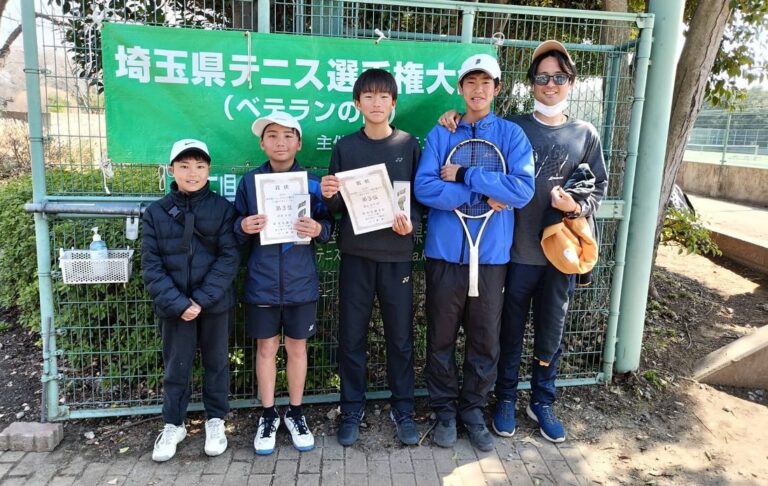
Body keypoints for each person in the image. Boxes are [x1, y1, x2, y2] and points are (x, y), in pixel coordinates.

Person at [439, 40, 608, 443]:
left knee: (552, 329)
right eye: (542, 77)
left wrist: (575, 206)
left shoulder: (585, 133)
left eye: (559, 78)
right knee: (508, 332)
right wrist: (453, 117)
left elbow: (598, 188)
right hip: (515, 251)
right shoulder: (512, 128)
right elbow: (481, 141)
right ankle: (505, 400)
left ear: (570, 82)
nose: (550, 85)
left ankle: (543, 400)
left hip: (561, 253)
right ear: (530, 83)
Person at [414, 54, 535, 452]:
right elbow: (425, 189)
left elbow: (522, 191)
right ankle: (445, 412)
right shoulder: (441, 133)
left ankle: (472, 412)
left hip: (491, 258)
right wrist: (486, 192)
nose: (478, 89)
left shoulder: (512, 136)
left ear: (497, 89)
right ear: (461, 89)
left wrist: (468, 177)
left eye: (486, 82)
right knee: (441, 338)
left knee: (485, 341)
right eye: (471, 82)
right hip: (445, 255)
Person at [320, 68, 422, 447]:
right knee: (352, 336)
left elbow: (417, 201)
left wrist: (409, 224)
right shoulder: (346, 147)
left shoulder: (408, 145)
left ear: (394, 103)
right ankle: (351, 408)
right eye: (369, 96)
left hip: (396, 255)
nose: (376, 103)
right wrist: (329, 190)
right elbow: (333, 205)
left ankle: (404, 409)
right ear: (356, 103)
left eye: (384, 97)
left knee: (400, 338)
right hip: (356, 255)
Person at [234, 111, 334, 455]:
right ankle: (267, 415)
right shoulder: (249, 182)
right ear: (262, 143)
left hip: (300, 282)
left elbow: (327, 223)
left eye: (288, 135)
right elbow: (235, 227)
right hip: (261, 282)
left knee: (297, 348)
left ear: (299, 142)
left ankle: (296, 411)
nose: (280, 142)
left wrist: (320, 230)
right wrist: (243, 226)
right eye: (272, 136)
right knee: (265, 348)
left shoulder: (313, 182)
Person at [142, 138, 240, 462]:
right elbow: (151, 266)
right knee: (176, 367)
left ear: (209, 170)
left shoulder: (223, 209)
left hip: (213, 305)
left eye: (199, 166)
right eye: (184, 166)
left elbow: (229, 258)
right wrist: (179, 304)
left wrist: (199, 299)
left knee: (216, 364)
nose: (192, 173)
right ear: (172, 170)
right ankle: (174, 424)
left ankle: (215, 421)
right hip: (174, 308)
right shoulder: (155, 213)